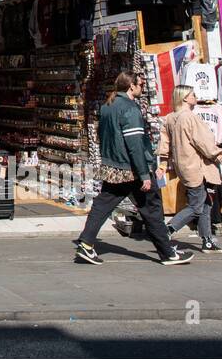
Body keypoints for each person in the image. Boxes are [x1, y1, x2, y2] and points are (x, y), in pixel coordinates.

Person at [75, 73, 193, 266]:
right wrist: (144, 174)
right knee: (152, 209)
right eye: (141, 84)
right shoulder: (130, 109)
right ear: (131, 86)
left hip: (114, 166)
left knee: (102, 205)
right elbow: (135, 144)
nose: (143, 88)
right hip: (132, 169)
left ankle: (86, 244)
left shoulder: (108, 106)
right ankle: (167, 253)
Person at [159, 83, 222, 253]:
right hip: (197, 166)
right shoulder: (190, 117)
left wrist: (163, 163)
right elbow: (204, 142)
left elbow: (164, 143)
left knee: (206, 203)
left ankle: (207, 240)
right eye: (193, 94)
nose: (196, 97)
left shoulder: (170, 118)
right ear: (185, 97)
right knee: (196, 206)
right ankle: (168, 230)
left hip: (184, 166)